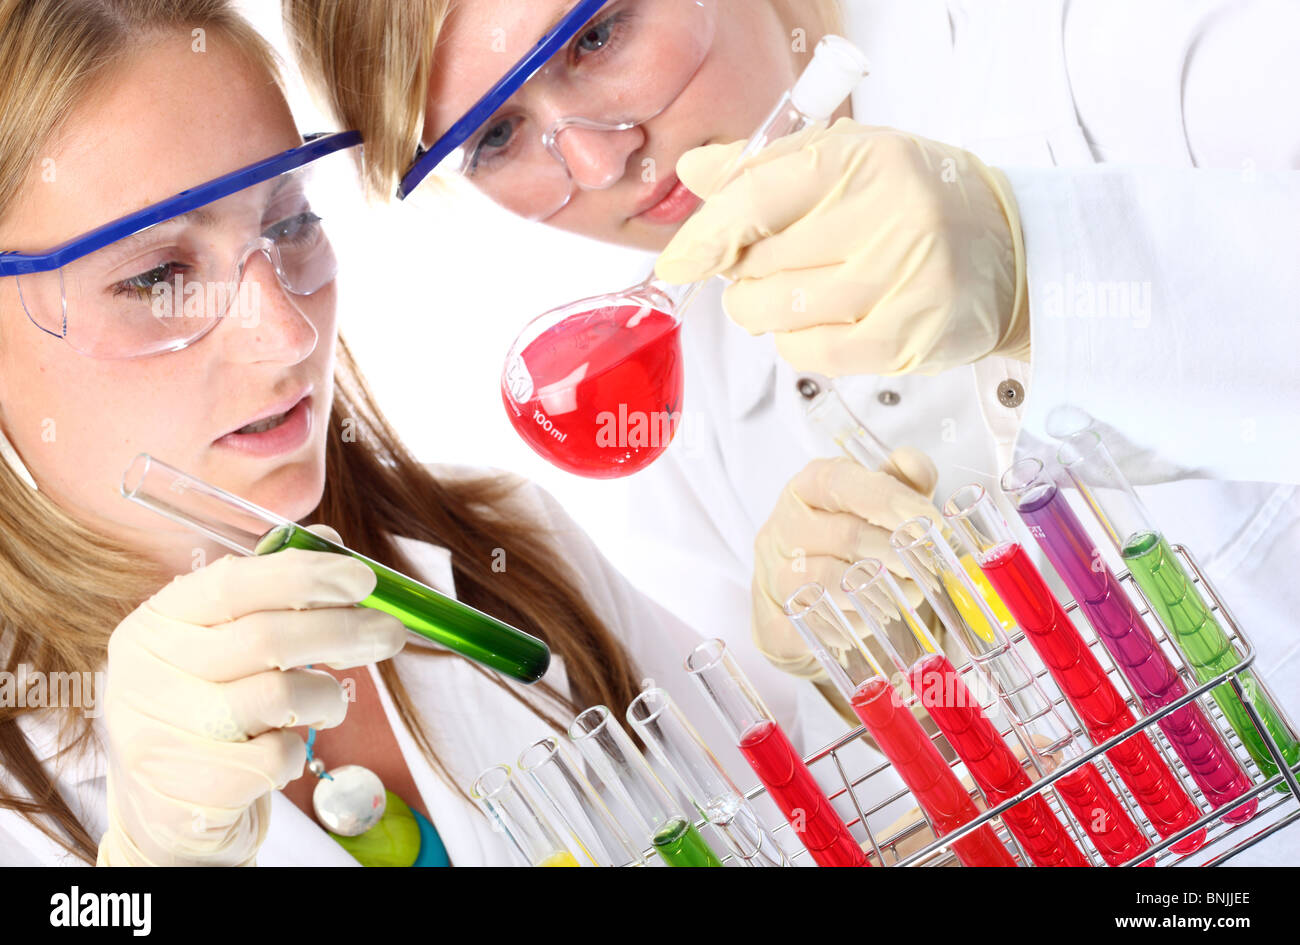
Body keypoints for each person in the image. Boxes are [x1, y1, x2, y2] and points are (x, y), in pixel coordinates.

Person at [284, 0, 1300, 865]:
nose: (600, 160)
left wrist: (1038, 261)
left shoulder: (1100, 38)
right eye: (495, 136)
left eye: (596, 37)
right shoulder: (672, 431)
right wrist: (844, 679)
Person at [0, 0, 849, 868]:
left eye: (288, 222)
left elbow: (836, 824)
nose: (287, 335)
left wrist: (849, 642)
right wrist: (147, 868)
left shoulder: (508, 557)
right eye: (155, 276)